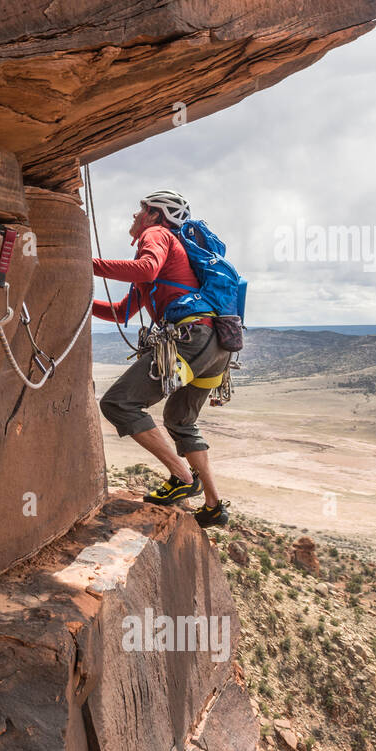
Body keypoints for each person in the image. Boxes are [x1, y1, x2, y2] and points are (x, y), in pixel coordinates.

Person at [91, 189, 231, 527]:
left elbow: (146, 268)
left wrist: (85, 265)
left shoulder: (156, 235)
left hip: (190, 337)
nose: (135, 217)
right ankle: (213, 506)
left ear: (154, 215)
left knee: (118, 403)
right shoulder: (171, 255)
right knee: (181, 420)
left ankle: (184, 479)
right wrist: (85, 305)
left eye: (140, 210)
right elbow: (124, 312)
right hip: (217, 346)